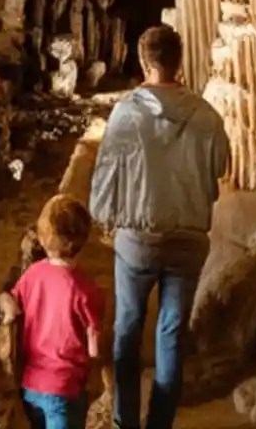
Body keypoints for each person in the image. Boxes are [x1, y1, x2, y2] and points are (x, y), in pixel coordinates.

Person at [89, 25, 230, 429]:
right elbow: (220, 167)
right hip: (188, 240)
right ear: (179, 61)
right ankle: (159, 424)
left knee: (128, 331)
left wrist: (103, 216)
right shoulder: (206, 115)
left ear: (143, 61)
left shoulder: (127, 112)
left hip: (138, 239)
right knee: (171, 335)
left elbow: (106, 172)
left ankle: (124, 422)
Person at [2, 194, 105, 429]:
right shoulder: (85, 289)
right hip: (65, 388)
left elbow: (10, 300)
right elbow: (94, 345)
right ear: (79, 241)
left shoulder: (32, 275)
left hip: (30, 386)